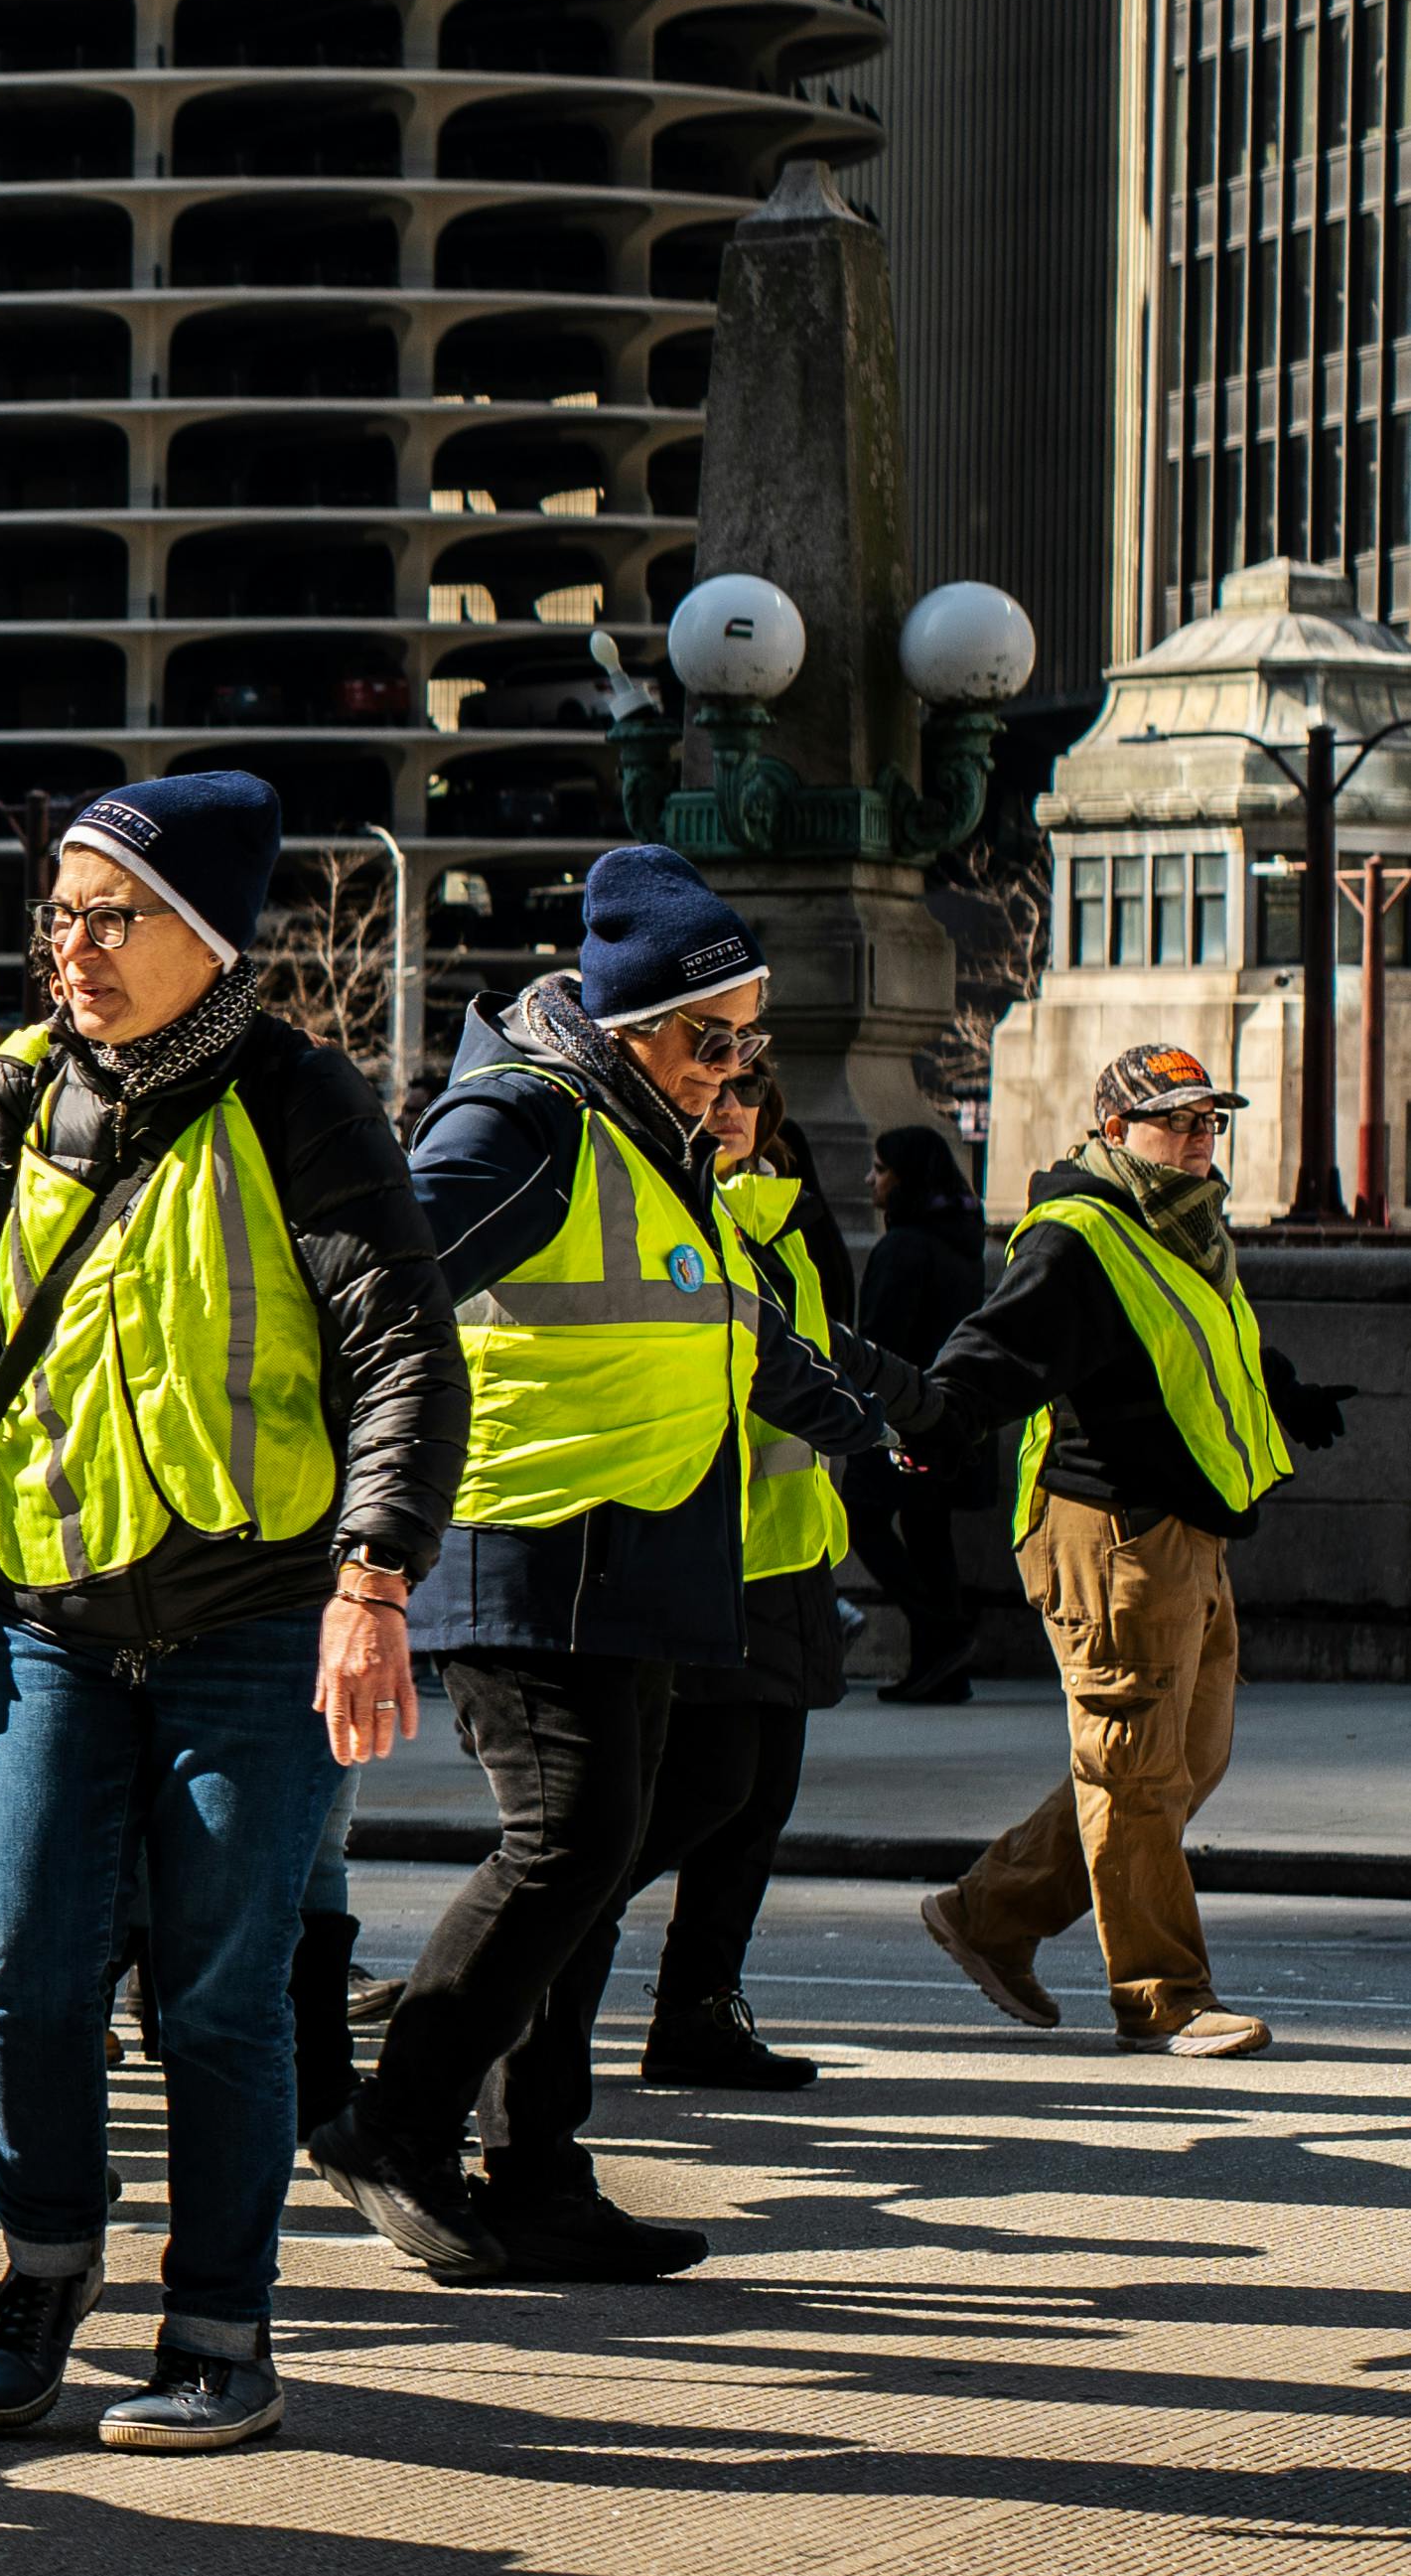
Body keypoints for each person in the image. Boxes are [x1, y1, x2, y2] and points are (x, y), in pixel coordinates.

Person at [0, 771, 460, 2451]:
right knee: (17, 1962)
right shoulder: (23, 1091)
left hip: (258, 1618)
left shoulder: (304, 1098)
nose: (71, 946)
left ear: (205, 934)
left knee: (219, 1988)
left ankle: (219, 2329)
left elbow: (406, 1352)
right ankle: (46, 2267)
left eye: (110, 916)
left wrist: (374, 1578)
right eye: (61, 914)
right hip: (50, 1614)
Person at [328, 844, 897, 2289]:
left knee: (651, 1823)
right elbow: (374, 1283)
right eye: (713, 1038)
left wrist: (867, 1425)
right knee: (569, 1843)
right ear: (631, 1020)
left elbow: (733, 1324)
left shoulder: (650, 1137)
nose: (731, 1067)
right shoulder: (523, 1119)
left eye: (746, 1042)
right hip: (534, 1536)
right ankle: (392, 2124)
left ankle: (538, 2174)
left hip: (640, 1545)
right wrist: (356, 1529)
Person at [915, 1045, 1336, 2057]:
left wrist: (1279, 1387)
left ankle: (991, 1914)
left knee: (1178, 1761)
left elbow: (1192, 1342)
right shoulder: (1077, 1236)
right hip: (1109, 1535)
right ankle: (1165, 1996)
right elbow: (992, 1354)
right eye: (1174, 1121)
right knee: (1137, 1770)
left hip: (1184, 1529)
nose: (1197, 1139)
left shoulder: (1182, 1229)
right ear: (1114, 1131)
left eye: (1208, 1121)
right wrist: (924, 1427)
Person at [629, 1077, 872, 2092]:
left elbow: (831, 1362)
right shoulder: (684, 1212)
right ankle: (523, 1948)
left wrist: (907, 1411)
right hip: (710, 1553)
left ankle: (697, 2010)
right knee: (704, 1792)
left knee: (759, 1799)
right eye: (712, 1093)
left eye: (749, 1098)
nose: (729, 1110)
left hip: (789, 1550)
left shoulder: (788, 1221)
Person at [851, 1123, 995, 1702]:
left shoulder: (905, 1247)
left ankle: (942, 1632)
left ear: (905, 1178)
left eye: (881, 1170)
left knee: (862, 1516)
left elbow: (879, 1343)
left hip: (904, 1419)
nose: (871, 1181)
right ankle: (942, 1662)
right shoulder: (958, 1242)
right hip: (950, 1415)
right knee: (927, 1530)